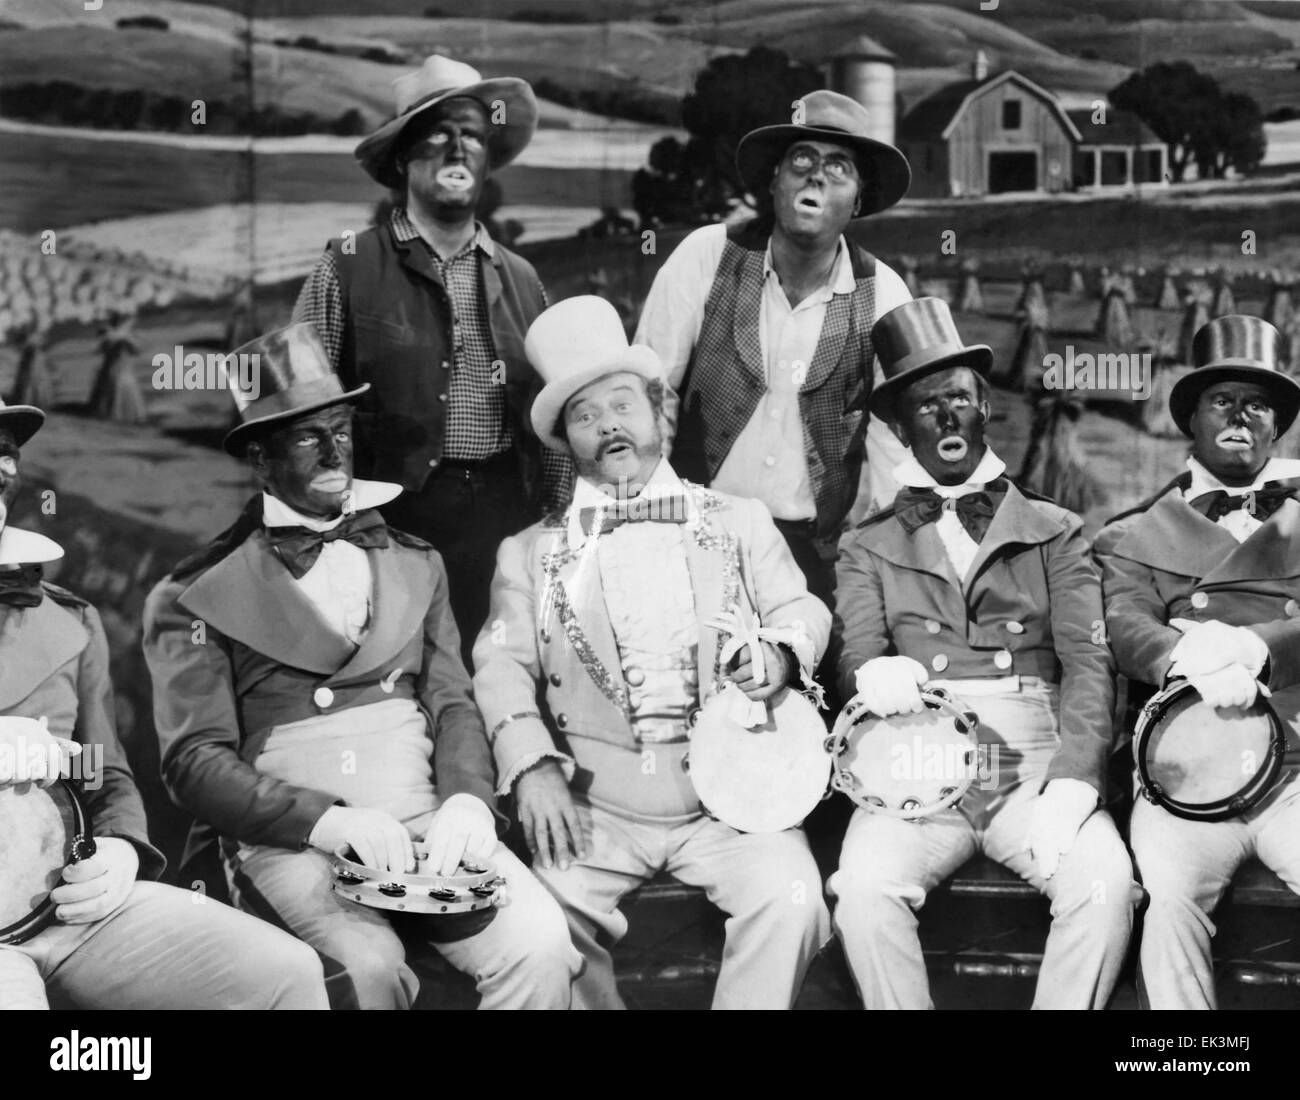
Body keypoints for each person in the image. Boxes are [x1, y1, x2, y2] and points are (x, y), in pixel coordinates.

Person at [141, 323, 579, 1010]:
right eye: (306, 434)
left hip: (427, 821)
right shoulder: (190, 595)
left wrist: (467, 798)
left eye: (340, 428)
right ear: (260, 455)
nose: (333, 449)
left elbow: (452, 702)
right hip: (292, 841)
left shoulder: (415, 561)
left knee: (541, 944)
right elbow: (193, 761)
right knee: (364, 967)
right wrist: (325, 823)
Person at [474, 296, 832, 1009]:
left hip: (730, 802)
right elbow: (501, 666)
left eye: (620, 404)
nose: (607, 425)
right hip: (594, 807)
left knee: (794, 898)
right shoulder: (531, 553)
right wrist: (534, 768)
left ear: (657, 410)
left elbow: (801, 610)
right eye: (584, 415)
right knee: (543, 923)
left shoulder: (739, 521)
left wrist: (779, 656)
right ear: (564, 441)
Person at [830, 298, 1137, 1010]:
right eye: (925, 404)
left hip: (1033, 773)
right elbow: (858, 655)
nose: (945, 417)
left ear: (985, 407)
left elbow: (1091, 665)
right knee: (864, 893)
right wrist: (871, 673)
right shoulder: (865, 544)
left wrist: (1077, 781)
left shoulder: (1056, 531)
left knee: (1102, 885)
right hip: (911, 767)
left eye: (958, 399)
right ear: (901, 427)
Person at [0, 397, 328, 1010]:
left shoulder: (69, 620)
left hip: (67, 901)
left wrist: (121, 849)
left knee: (285, 972)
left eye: (4, 459)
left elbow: (107, 775)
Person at [293, 54, 571, 665]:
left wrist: (557, 523)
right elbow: (299, 409)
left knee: (497, 677)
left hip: (504, 519)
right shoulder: (348, 264)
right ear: (401, 160)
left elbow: (554, 417)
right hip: (388, 519)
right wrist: (329, 526)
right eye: (437, 133)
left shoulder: (524, 280)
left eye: (472, 134)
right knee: (397, 684)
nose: (457, 147)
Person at [634, 89, 914, 608]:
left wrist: (870, 561)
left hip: (810, 554)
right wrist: (649, 514)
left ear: (857, 200)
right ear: (774, 180)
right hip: (692, 531)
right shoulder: (708, 253)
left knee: (800, 681)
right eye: (801, 160)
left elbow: (894, 448)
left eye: (839, 166)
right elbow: (651, 391)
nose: (816, 176)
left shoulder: (884, 293)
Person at [1093, 313, 1300, 1010]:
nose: (1240, 416)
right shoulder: (1132, 533)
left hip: (1297, 768)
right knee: (1169, 904)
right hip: (1183, 772)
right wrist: (1190, 655)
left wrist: (1254, 647)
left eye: (1258, 402)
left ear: (1279, 425)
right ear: (1191, 420)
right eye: (1222, 400)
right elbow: (1124, 626)